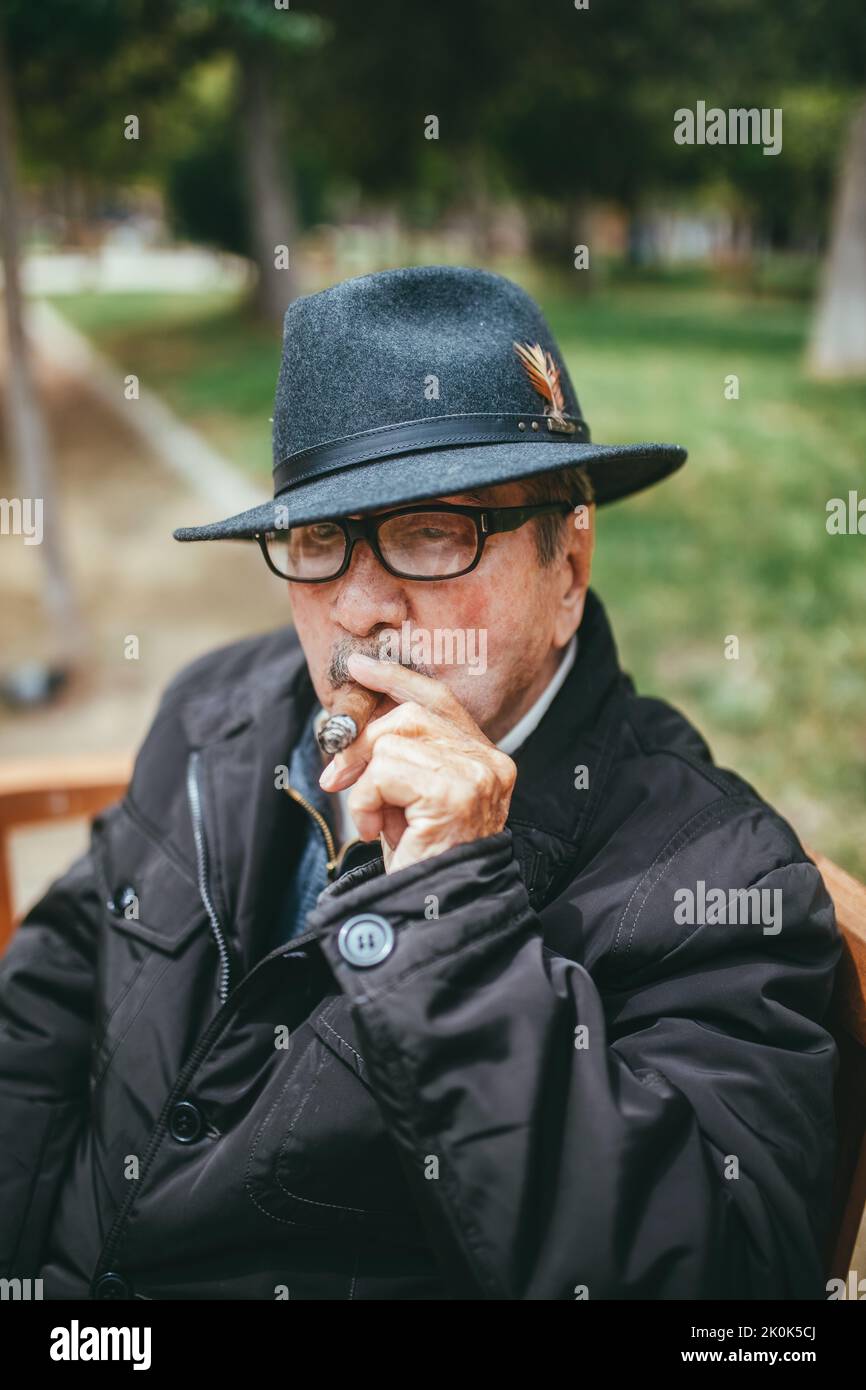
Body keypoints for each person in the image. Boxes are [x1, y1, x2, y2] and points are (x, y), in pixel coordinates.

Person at [0, 266, 841, 1300]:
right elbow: (53, 992)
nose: (358, 607)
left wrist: (453, 918)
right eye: (318, 538)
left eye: (433, 529)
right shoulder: (217, 707)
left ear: (565, 566)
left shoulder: (716, 882)